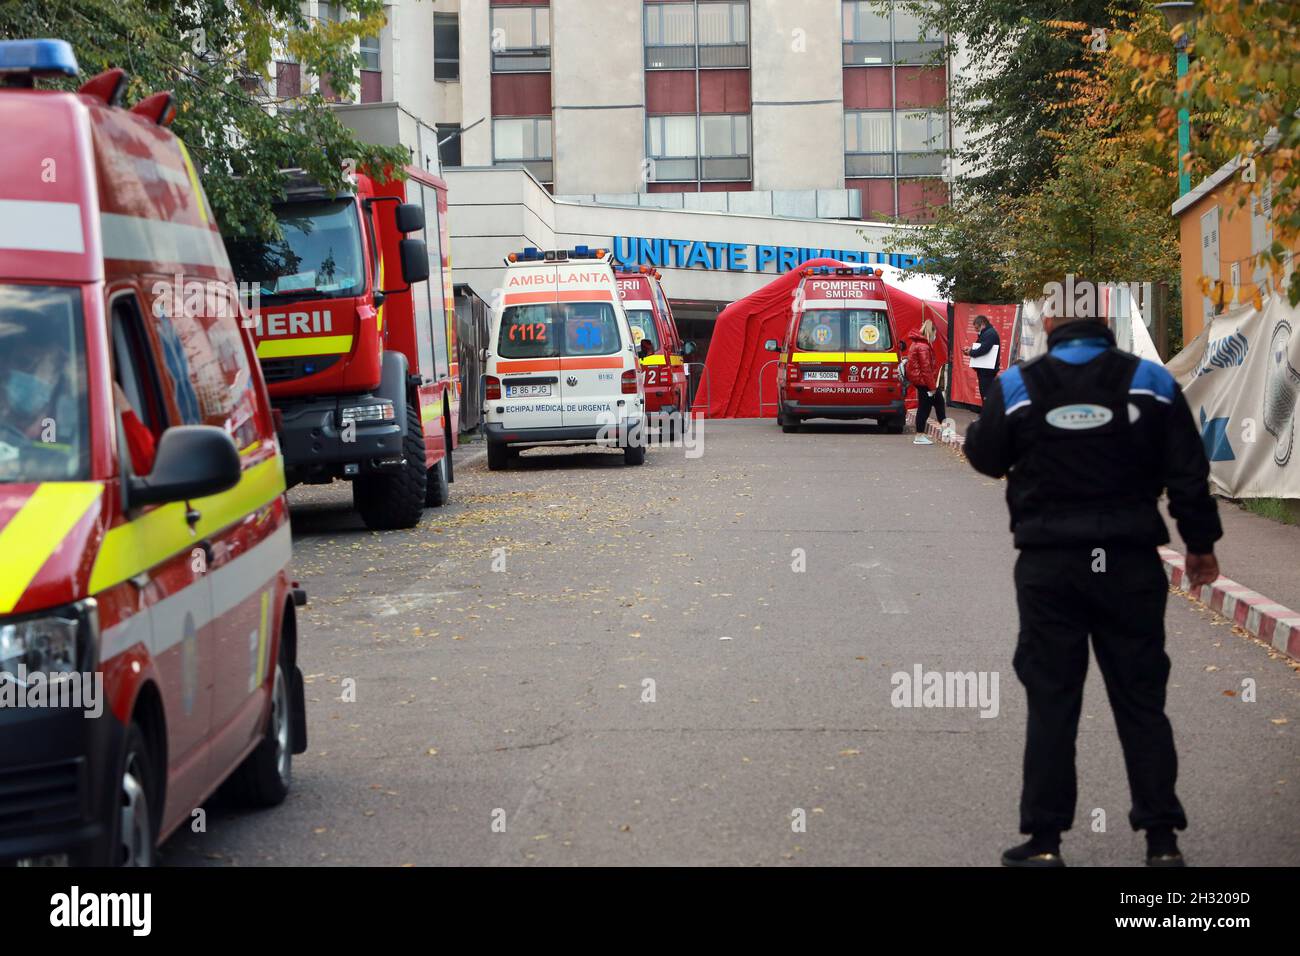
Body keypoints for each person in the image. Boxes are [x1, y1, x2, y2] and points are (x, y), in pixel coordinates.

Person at [964, 303, 1222, 868]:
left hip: (1049, 568)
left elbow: (985, 457)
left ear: (1050, 332)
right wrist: (1200, 545)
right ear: (1107, 331)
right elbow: (1187, 468)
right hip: (1128, 564)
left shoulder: (1017, 384)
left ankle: (1045, 843)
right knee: (1140, 699)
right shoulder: (1150, 381)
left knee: (1053, 700)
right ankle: (1161, 841)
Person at [904, 319, 944, 445]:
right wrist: (932, 387)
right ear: (931, 332)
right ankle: (919, 435)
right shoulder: (923, 347)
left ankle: (945, 428)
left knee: (938, 401)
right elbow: (926, 369)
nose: (935, 337)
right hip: (924, 382)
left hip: (920, 380)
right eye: (935, 334)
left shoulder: (917, 344)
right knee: (924, 408)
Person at [962, 314, 1000, 402]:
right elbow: (981, 347)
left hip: (987, 371)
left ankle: (988, 415)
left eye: (977, 328)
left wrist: (971, 352)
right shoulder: (988, 333)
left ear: (983, 324)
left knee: (986, 396)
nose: (976, 331)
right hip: (985, 370)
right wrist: (971, 350)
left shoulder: (990, 333)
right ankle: (987, 414)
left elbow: (983, 349)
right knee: (985, 395)